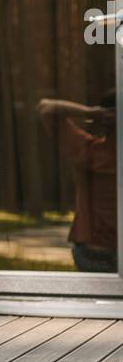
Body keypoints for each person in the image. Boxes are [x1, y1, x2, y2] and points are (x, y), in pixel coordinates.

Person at [37, 91, 117, 272]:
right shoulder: (89, 151)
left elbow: (46, 107)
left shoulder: (87, 151)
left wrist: (91, 113)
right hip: (97, 253)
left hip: (94, 252)